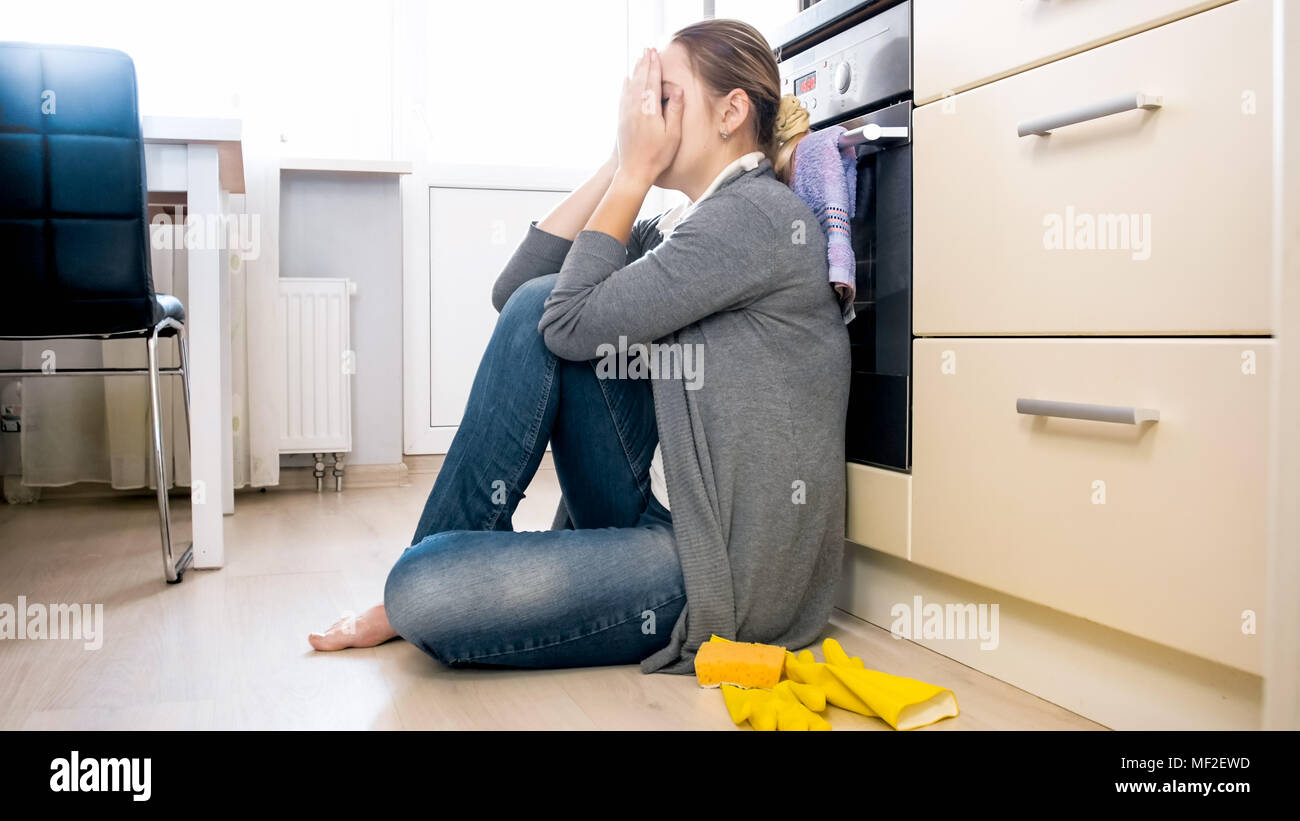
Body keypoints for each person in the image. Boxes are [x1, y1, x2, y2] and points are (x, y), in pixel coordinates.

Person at [309, 18, 851, 676]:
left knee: (422, 588)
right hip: (662, 514)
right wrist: (624, 164)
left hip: (714, 567)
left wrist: (636, 172)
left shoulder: (755, 217)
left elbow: (564, 320)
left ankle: (437, 577)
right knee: (535, 305)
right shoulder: (688, 223)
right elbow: (519, 291)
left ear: (732, 111)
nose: (648, 114)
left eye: (666, 97)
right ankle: (452, 567)